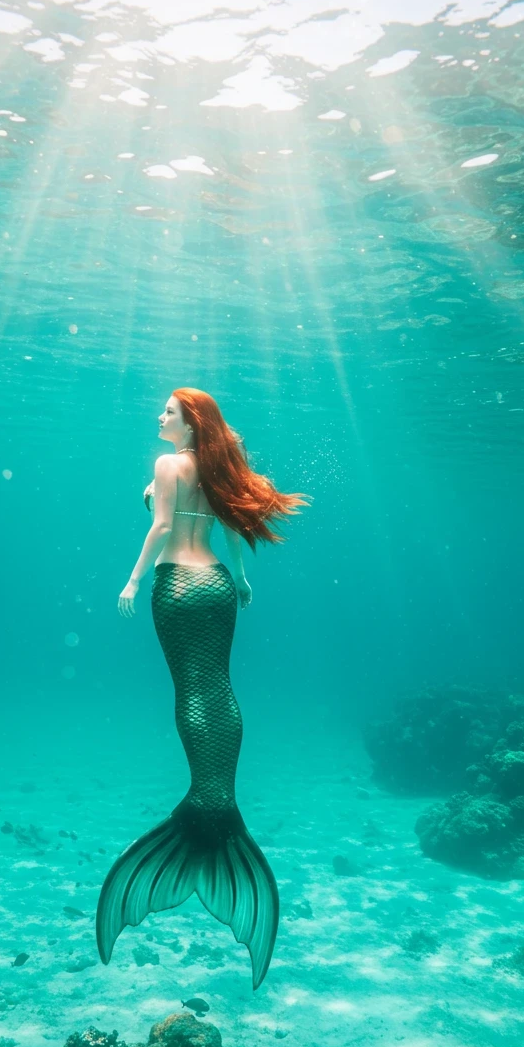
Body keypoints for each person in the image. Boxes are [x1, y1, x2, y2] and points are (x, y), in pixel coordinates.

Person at [96, 387, 310, 989]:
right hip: (214, 583)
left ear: (190, 423)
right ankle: (220, 794)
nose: (158, 416)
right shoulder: (218, 466)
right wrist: (241, 582)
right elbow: (237, 532)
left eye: (167, 410)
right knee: (217, 684)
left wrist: (132, 583)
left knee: (192, 688)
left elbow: (163, 525)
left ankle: (210, 802)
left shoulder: (168, 464)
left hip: (178, 586)